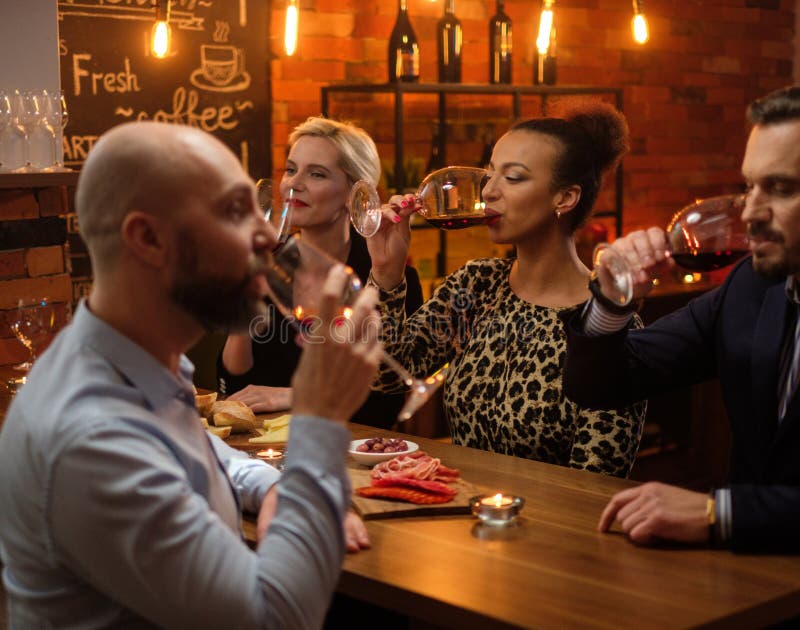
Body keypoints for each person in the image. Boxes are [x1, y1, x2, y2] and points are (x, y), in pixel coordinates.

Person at [0, 121, 383, 627]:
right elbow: (276, 620)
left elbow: (205, 453)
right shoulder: (90, 438)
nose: (269, 235)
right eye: (234, 211)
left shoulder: (128, 359)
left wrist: (271, 486)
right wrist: (319, 419)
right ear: (149, 239)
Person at [562, 85, 800, 551]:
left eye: (782, 188)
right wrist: (613, 301)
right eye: (750, 186)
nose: (750, 211)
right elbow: (598, 386)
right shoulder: (751, 288)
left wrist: (719, 512)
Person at [366, 103, 646, 477]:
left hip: (550, 529)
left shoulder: (606, 326)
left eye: (513, 178)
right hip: (460, 518)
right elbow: (388, 375)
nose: (489, 191)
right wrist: (386, 271)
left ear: (565, 198)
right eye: (490, 173)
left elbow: (598, 483)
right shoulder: (477, 284)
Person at [219, 116, 423, 429]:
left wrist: (296, 396)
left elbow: (388, 402)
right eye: (291, 169)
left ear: (355, 194)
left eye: (317, 174)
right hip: (264, 450)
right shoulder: (268, 262)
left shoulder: (389, 277)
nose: (293, 184)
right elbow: (234, 389)